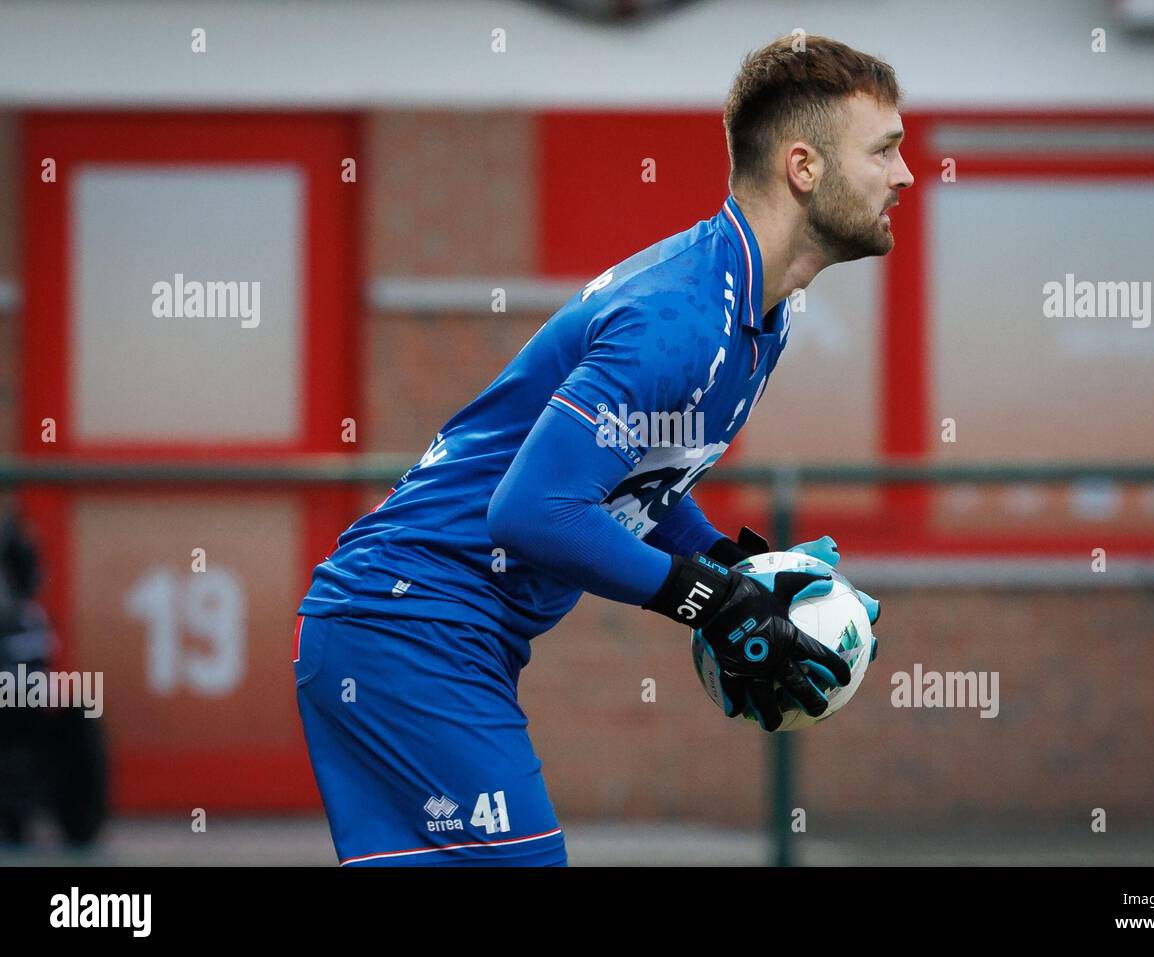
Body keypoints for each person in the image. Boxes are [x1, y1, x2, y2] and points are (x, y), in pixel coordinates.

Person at [294, 33, 913, 866]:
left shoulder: (759, 313)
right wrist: (715, 605)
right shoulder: (680, 322)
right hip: (410, 625)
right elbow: (531, 511)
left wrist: (729, 565)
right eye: (885, 149)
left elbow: (636, 478)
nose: (905, 176)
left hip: (412, 631)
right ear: (804, 167)